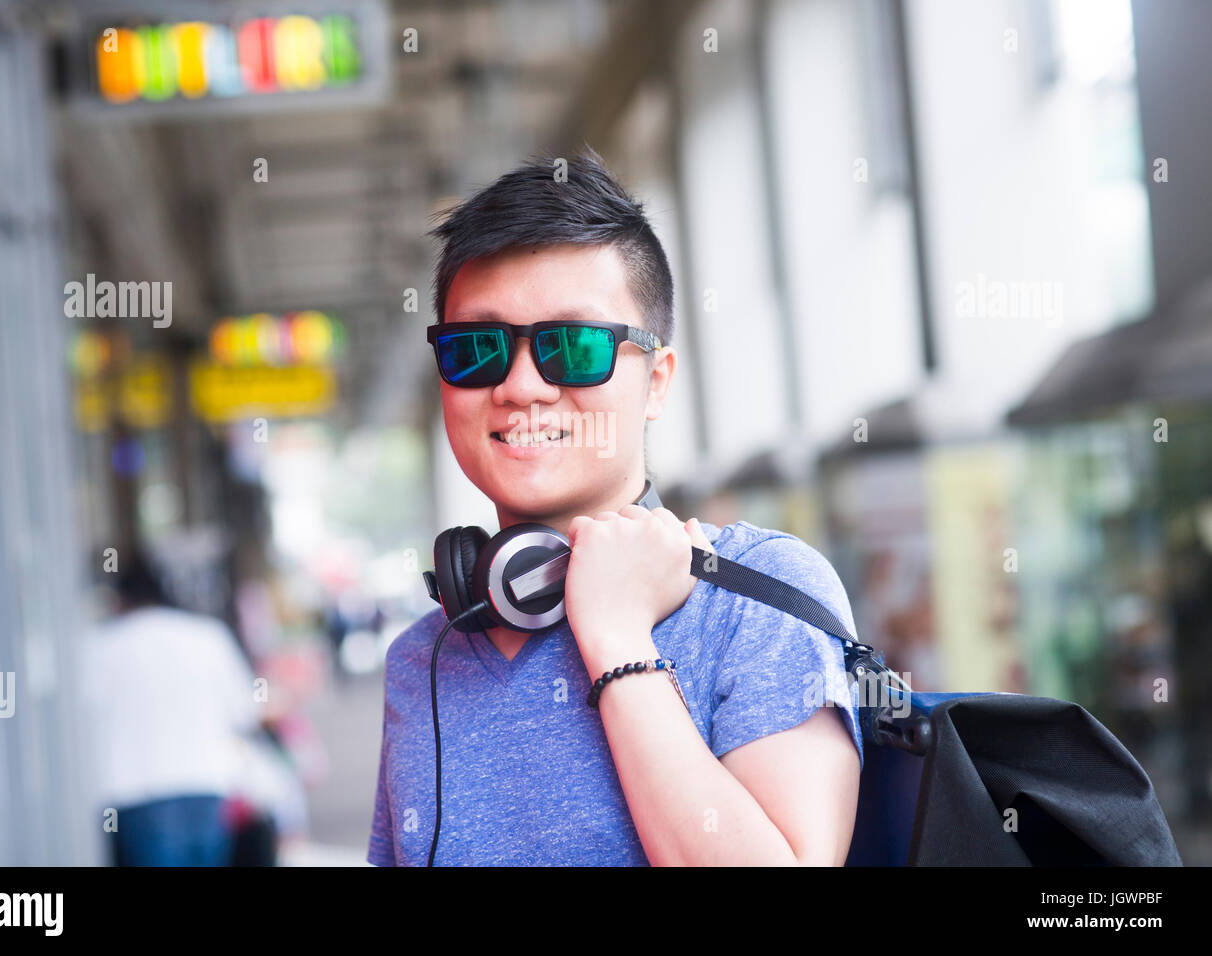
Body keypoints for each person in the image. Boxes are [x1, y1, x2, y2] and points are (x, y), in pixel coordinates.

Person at [367, 150, 862, 866]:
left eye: (572, 347)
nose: (522, 387)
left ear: (657, 381)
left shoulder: (757, 597)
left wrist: (620, 636)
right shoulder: (426, 656)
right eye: (478, 350)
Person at [79, 556, 262, 866]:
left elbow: (80, 723)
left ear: (120, 601)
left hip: (135, 795)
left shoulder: (99, 646)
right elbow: (246, 712)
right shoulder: (207, 636)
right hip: (206, 785)